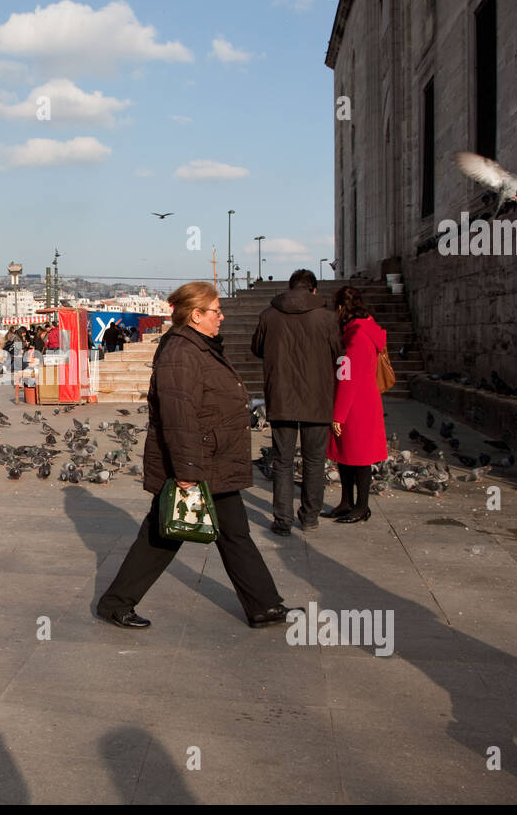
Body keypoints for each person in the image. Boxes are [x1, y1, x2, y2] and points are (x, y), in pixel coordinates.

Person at [96, 282, 291, 630]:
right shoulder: (181, 353)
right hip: (197, 461)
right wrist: (186, 471)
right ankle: (115, 603)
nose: (222, 316)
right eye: (216, 311)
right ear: (196, 315)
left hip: (213, 458)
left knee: (233, 534)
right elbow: (178, 416)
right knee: (162, 534)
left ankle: (264, 605)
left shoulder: (200, 346)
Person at [250, 268, 343, 535]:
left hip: (281, 397)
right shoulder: (327, 317)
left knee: (283, 461)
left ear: (291, 288)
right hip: (318, 399)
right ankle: (310, 517)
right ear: (313, 290)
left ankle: (282, 520)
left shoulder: (269, 315)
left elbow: (257, 348)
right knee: (314, 460)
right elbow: (340, 354)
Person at [324, 286, 387, 524]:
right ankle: (347, 502)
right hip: (362, 401)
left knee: (359, 458)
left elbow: (348, 378)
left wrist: (338, 415)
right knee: (346, 456)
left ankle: (361, 506)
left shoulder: (356, 335)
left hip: (355, 405)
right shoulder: (361, 330)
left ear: (341, 308)